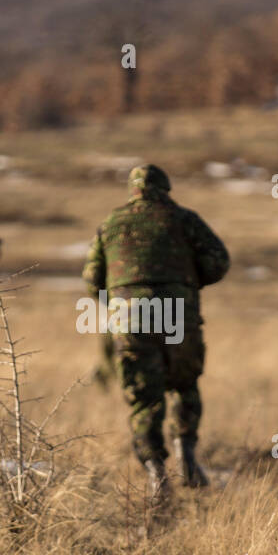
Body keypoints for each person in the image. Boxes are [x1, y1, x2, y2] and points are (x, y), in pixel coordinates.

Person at [81, 164, 230, 496]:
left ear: (133, 190)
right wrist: (187, 285)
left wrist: (118, 303)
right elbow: (218, 262)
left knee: (144, 398)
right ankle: (186, 456)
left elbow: (92, 279)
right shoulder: (185, 220)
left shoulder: (111, 224)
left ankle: (155, 473)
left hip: (131, 321)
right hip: (179, 315)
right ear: (165, 189)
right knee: (184, 384)